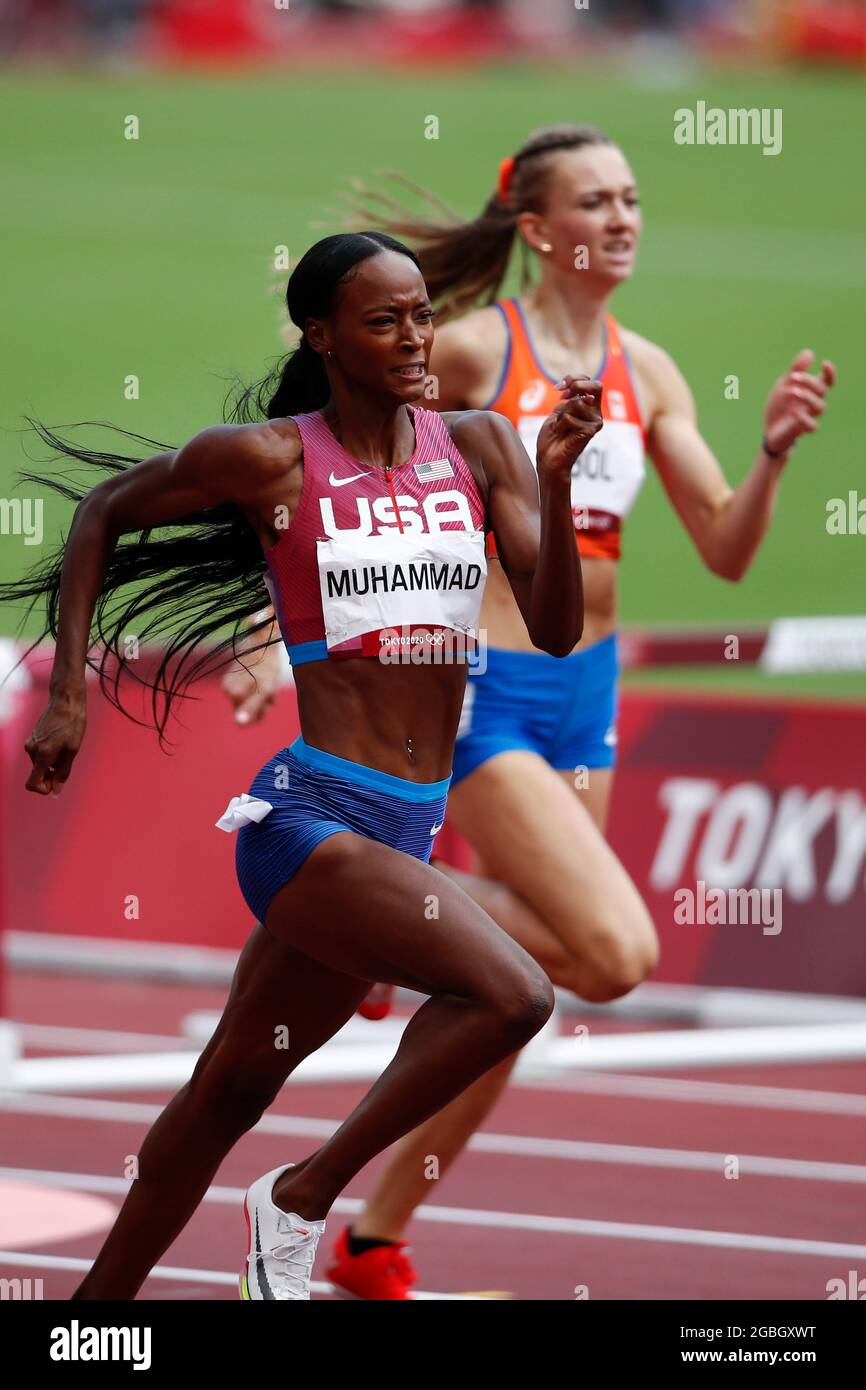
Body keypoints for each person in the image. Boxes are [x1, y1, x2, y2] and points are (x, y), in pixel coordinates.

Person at [223, 125, 835, 1299]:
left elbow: (723, 552)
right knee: (613, 952)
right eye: (595, 201)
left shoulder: (644, 371)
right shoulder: (463, 350)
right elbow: (335, 473)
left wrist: (767, 457)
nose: (622, 218)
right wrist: (268, 624)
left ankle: (369, 1239)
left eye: (632, 199)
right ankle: (372, 911)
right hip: (486, 693)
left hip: (584, 700)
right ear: (538, 228)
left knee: (515, 986)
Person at [12, 231, 605, 1301]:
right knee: (514, 994)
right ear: (323, 338)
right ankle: (300, 1194)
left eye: (421, 313)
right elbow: (105, 510)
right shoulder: (271, 459)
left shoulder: (479, 448)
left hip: (406, 826)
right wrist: (66, 695)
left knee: (223, 1091)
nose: (415, 335)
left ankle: (88, 1324)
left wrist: (554, 482)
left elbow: (557, 628)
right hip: (312, 820)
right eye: (384, 321)